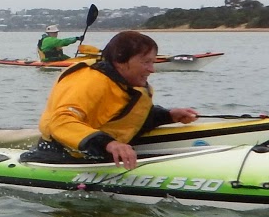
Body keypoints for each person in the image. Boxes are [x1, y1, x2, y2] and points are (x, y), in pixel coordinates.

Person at [36, 30, 198, 168]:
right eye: (146, 62)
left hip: (99, 150)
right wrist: (110, 144)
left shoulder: (127, 85)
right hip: (58, 154)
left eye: (153, 62)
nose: (152, 69)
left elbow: (128, 118)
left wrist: (169, 115)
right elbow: (61, 122)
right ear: (120, 61)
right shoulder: (89, 81)